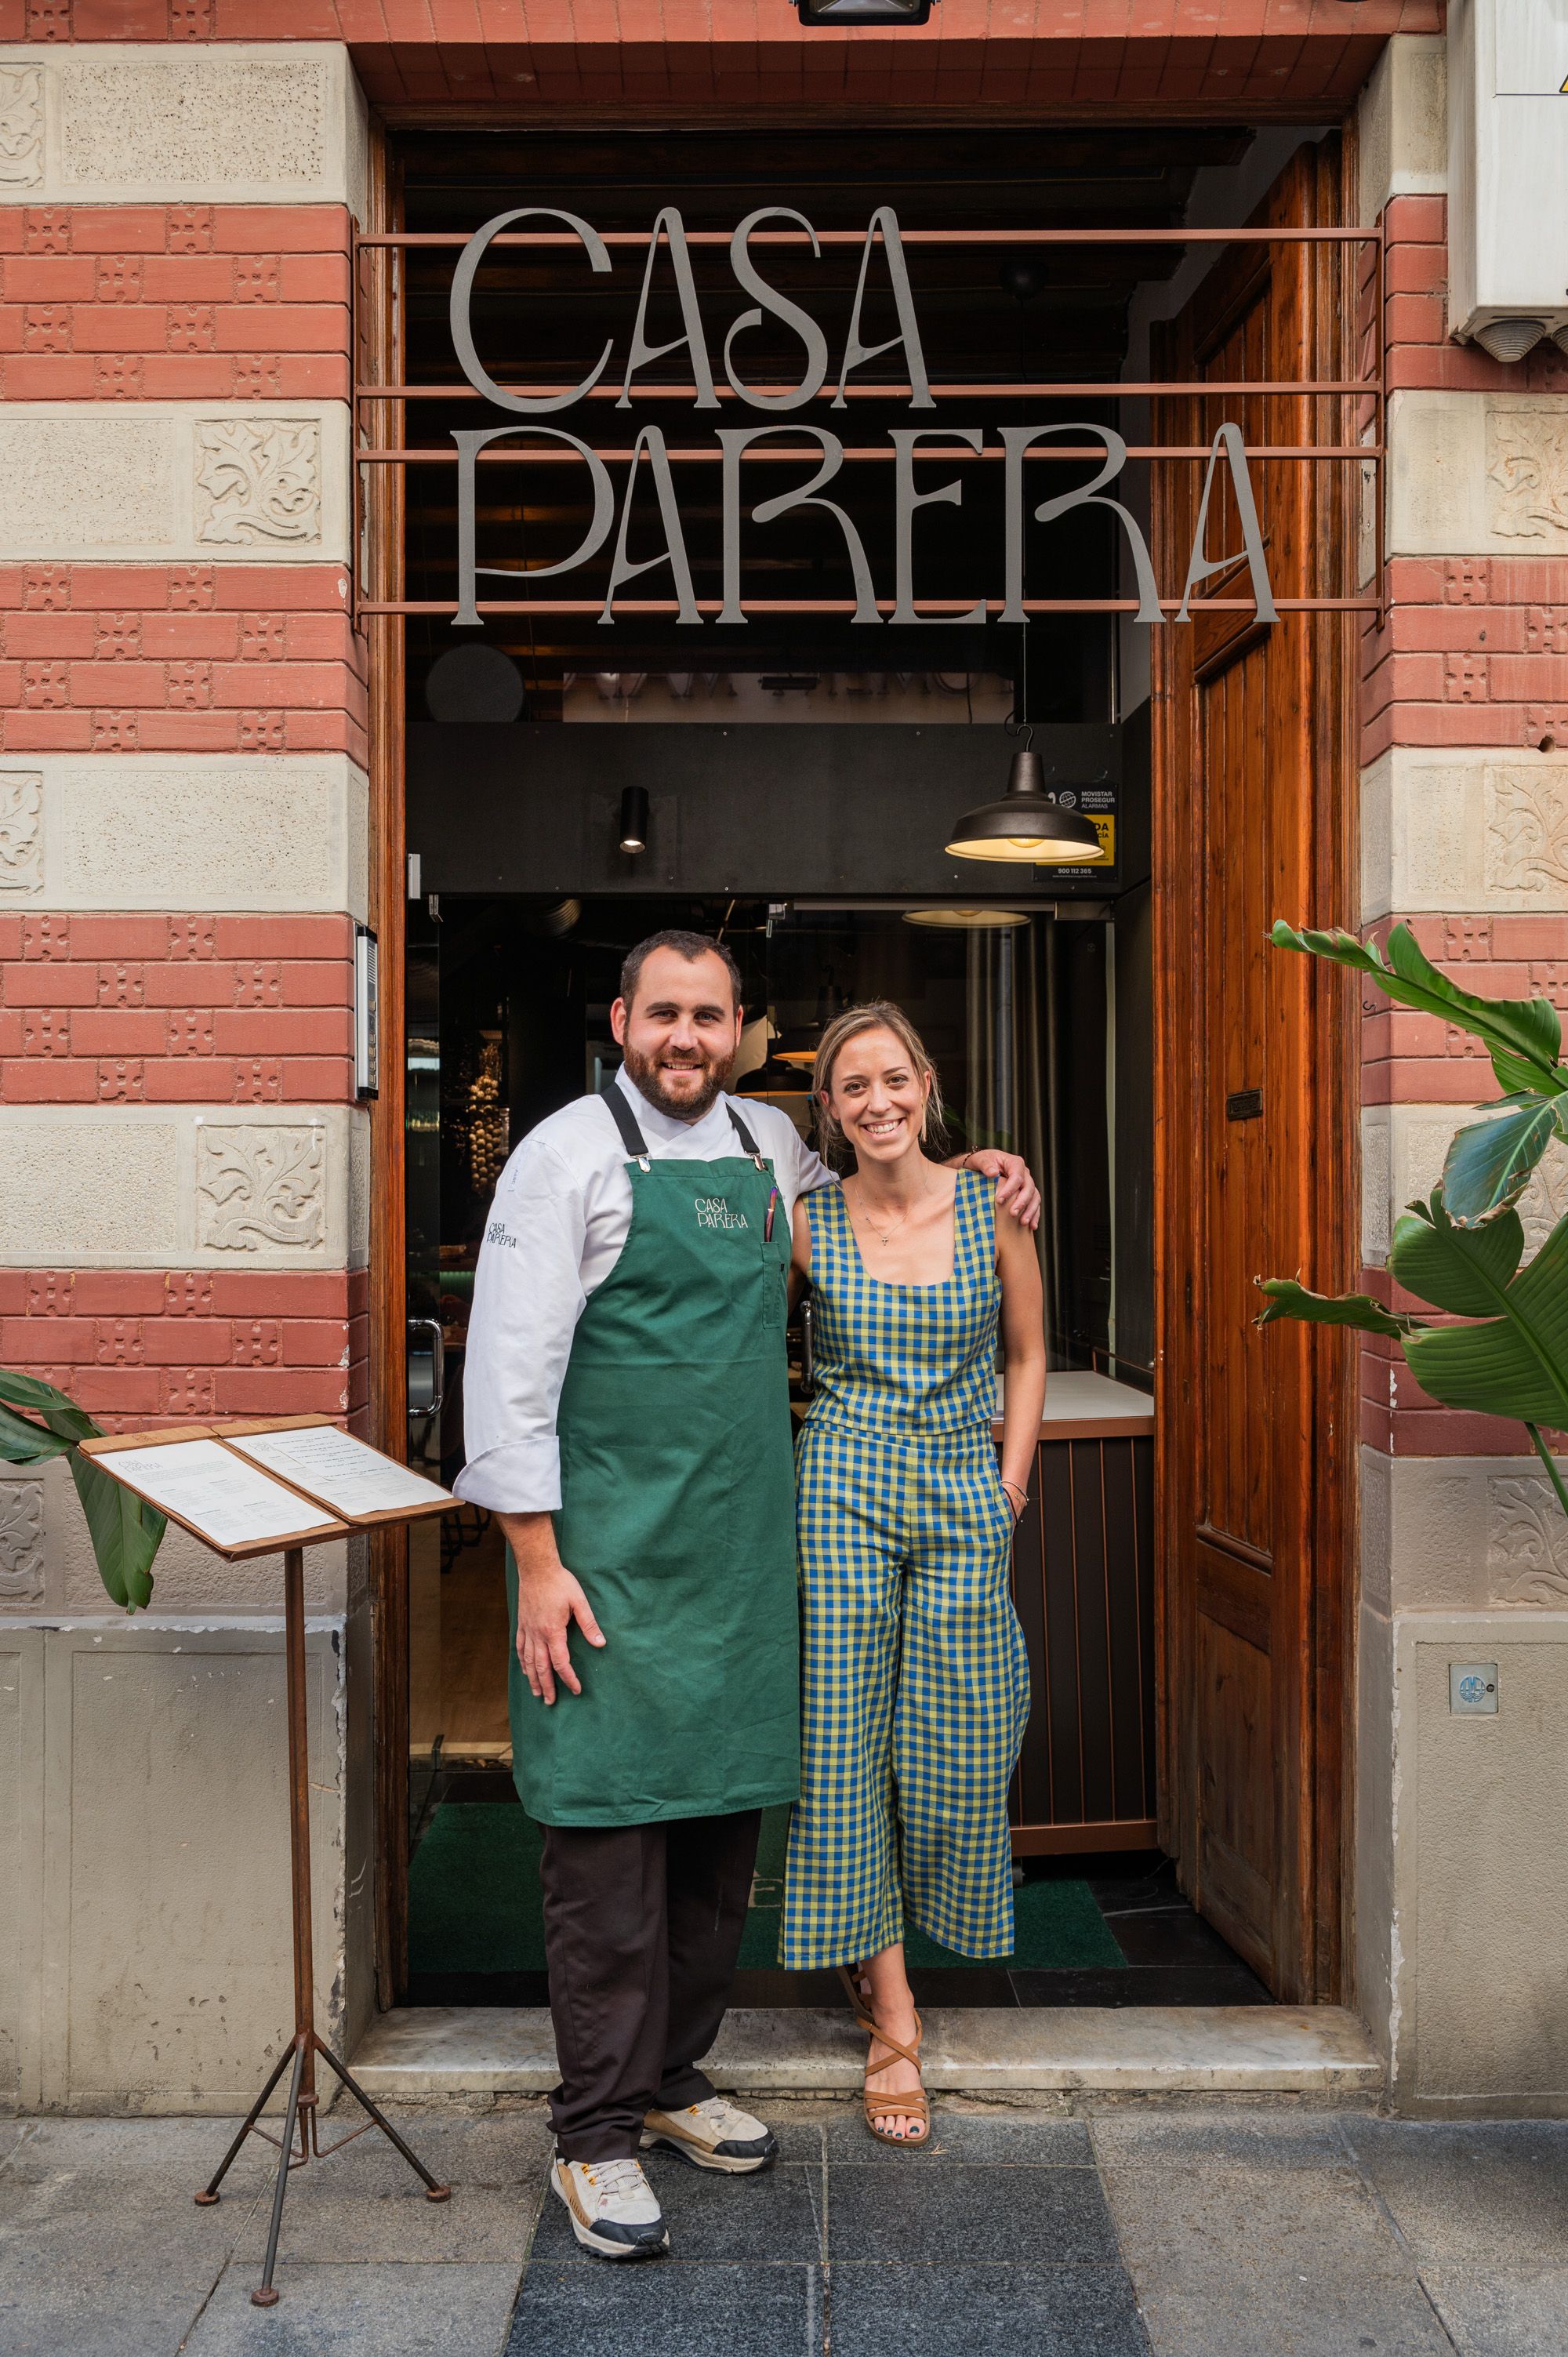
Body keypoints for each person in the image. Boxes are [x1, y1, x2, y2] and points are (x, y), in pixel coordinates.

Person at [455, 932, 1040, 2258]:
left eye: (710, 1017)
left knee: (720, 1844)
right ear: (621, 1018)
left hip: (735, 1559)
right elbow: (507, 1377)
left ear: (740, 1030)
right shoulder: (563, 1159)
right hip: (600, 1564)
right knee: (606, 1848)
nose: (687, 1037)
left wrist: (990, 1168)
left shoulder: (775, 1152)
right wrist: (536, 1566)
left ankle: (671, 2080)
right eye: (664, 1013)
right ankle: (594, 2134)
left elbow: (893, 1180)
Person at [782, 1002, 1047, 2146]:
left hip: (961, 1487)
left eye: (895, 1079)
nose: (878, 1102)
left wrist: (1012, 1485)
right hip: (838, 1482)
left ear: (927, 1083)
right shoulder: (802, 1222)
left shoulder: (996, 1204)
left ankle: (876, 1939)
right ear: (828, 1108)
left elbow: (1030, 1352)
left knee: (964, 1729)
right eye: (853, 1087)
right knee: (843, 1737)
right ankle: (896, 2015)